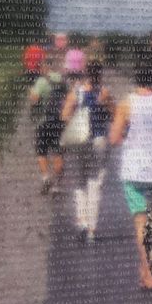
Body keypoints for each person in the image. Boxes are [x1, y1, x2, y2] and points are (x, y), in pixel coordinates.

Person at [109, 55, 152, 289]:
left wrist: (129, 136)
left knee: (140, 222)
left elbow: (114, 138)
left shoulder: (126, 104)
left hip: (134, 170)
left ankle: (147, 273)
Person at [60, 60, 113, 243]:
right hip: (99, 141)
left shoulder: (76, 91)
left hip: (81, 141)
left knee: (80, 182)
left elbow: (65, 115)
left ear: (85, 73)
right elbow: (113, 114)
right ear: (100, 74)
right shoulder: (104, 92)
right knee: (95, 184)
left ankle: (81, 221)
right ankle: (91, 229)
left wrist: (77, 122)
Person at [29, 66, 66, 194]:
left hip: (43, 122)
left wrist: (31, 94)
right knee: (58, 152)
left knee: (41, 151)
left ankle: (46, 178)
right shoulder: (62, 80)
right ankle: (57, 185)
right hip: (58, 121)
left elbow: (34, 100)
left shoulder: (41, 81)